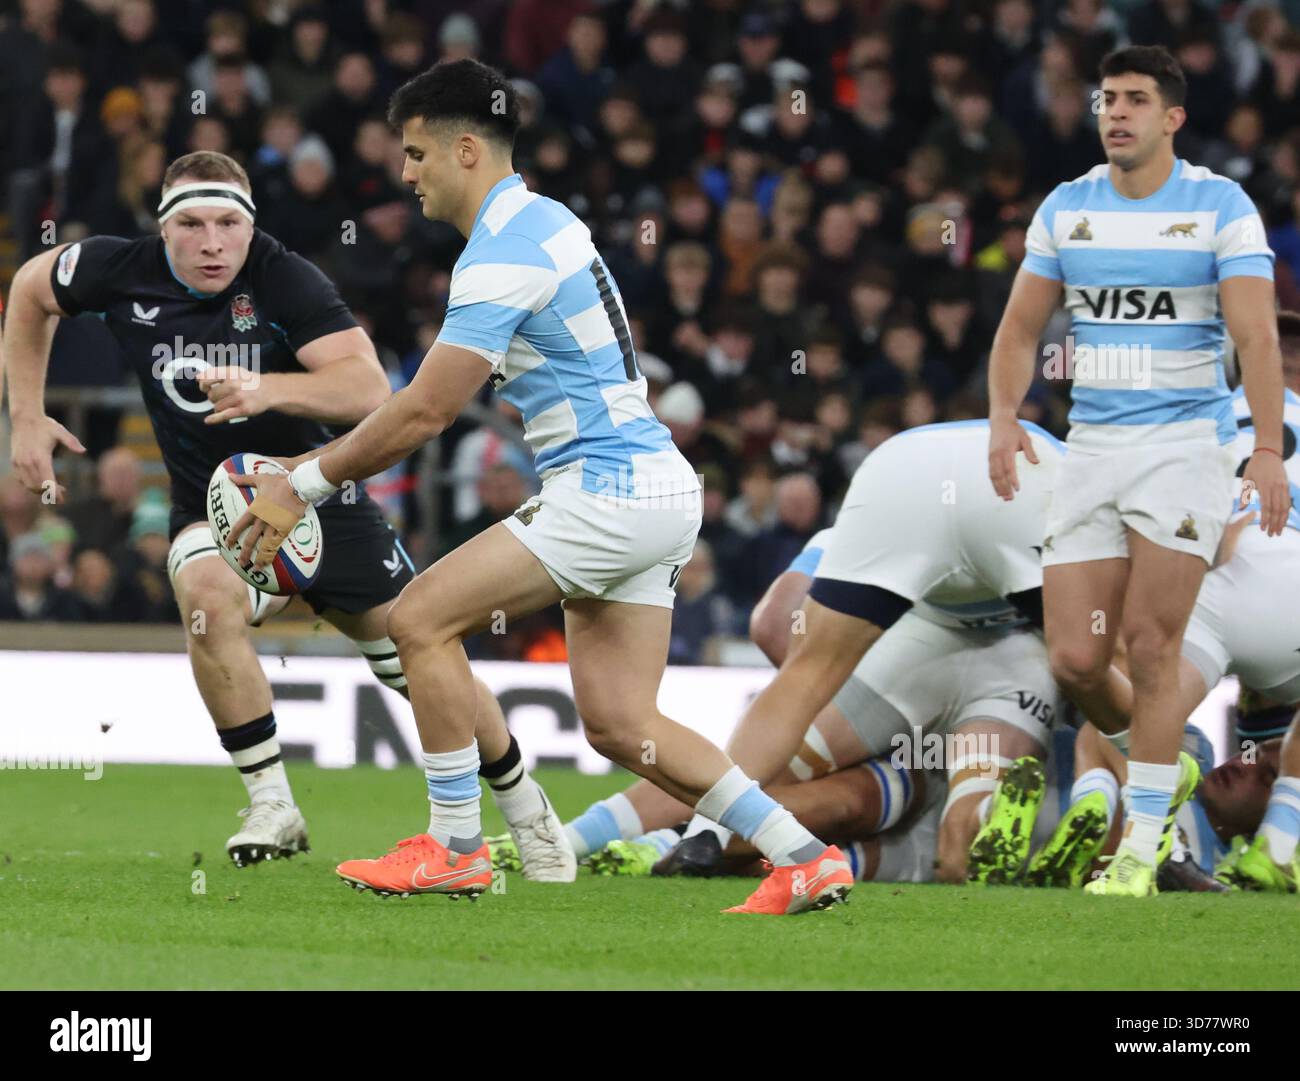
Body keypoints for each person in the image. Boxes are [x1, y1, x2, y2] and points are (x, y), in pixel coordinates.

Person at [227, 58, 852, 915]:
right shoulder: (548, 221)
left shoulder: (501, 254)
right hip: (656, 485)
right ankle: (805, 854)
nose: (404, 174)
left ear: (468, 150)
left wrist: (302, 480)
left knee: (418, 616)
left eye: (416, 154)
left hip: (605, 487)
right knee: (623, 724)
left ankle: (453, 847)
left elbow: (424, 413)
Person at [3, 149, 571, 881]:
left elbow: (369, 388)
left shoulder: (284, 276)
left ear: (251, 226)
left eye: (229, 224)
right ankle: (271, 799)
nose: (213, 243)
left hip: (316, 495)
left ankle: (527, 809)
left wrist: (269, 390)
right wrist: (25, 415)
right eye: (194, 224)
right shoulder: (117, 268)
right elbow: (28, 289)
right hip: (212, 506)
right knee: (206, 598)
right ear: (163, 228)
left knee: (421, 659)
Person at [986, 46, 1288, 897]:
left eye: (1134, 100)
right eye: (1107, 98)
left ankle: (1140, 846)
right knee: (1077, 658)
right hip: (1091, 450)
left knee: (1153, 648)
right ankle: (1163, 764)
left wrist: (1263, 448)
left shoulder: (1219, 207)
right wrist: (1004, 420)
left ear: (1171, 118)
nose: (1115, 113)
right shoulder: (1067, 206)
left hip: (1186, 450)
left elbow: (1257, 338)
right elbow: (1018, 331)